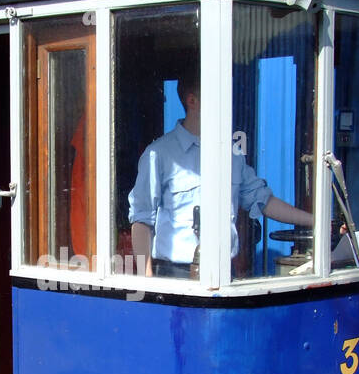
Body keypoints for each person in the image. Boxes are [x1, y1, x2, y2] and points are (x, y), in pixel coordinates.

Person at [128, 73, 314, 277]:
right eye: (216, 95)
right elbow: (142, 217)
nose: (224, 103)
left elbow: (262, 200)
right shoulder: (159, 154)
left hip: (225, 273)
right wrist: (147, 281)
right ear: (192, 101)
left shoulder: (231, 152)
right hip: (175, 275)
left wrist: (315, 221)